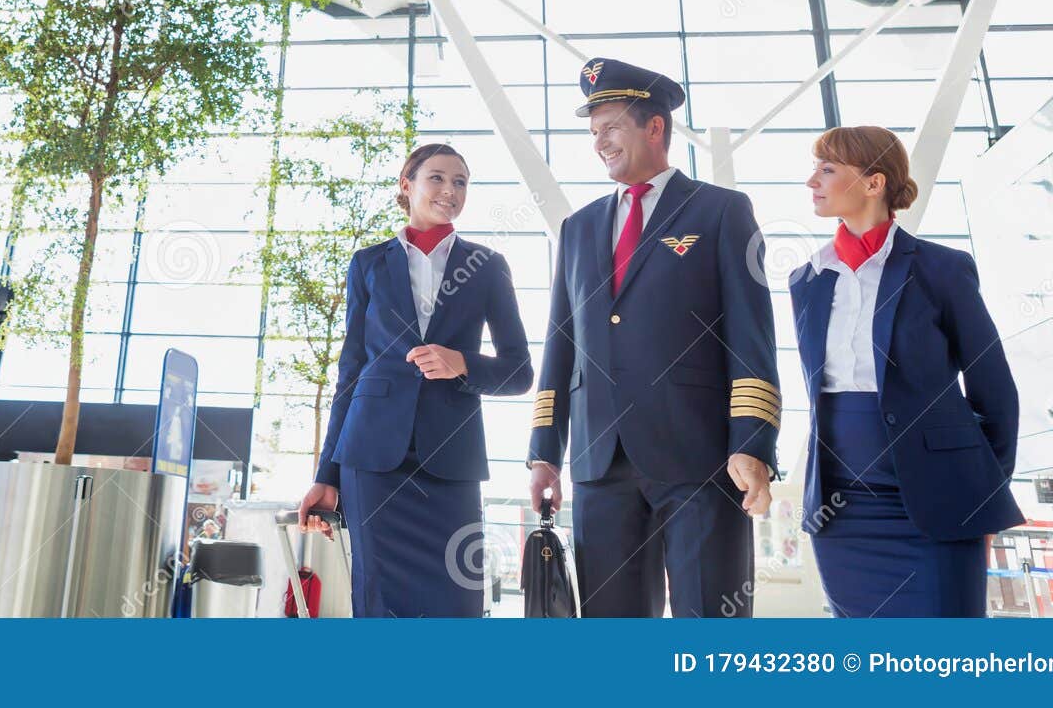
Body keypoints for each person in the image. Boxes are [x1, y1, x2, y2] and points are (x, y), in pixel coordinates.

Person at [528, 57, 780, 617]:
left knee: (710, 622)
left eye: (611, 127)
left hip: (701, 458)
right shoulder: (578, 227)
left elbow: (752, 337)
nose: (600, 143)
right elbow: (559, 343)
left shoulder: (721, 211)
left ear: (655, 127)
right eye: (594, 132)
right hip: (600, 461)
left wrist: (753, 442)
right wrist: (544, 452)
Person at [792, 126, 1021, 617]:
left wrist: (979, 491)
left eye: (828, 169)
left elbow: (994, 390)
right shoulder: (807, 279)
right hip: (843, 510)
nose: (813, 181)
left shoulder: (941, 269)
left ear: (874, 184)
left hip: (936, 504)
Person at [298, 143, 533, 617]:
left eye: (461, 182)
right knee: (378, 598)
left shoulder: (487, 266)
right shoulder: (368, 263)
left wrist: (461, 363)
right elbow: (351, 370)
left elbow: (519, 371)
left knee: (458, 600)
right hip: (371, 458)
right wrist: (327, 474)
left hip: (451, 458)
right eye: (438, 178)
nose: (450, 190)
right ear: (407, 186)